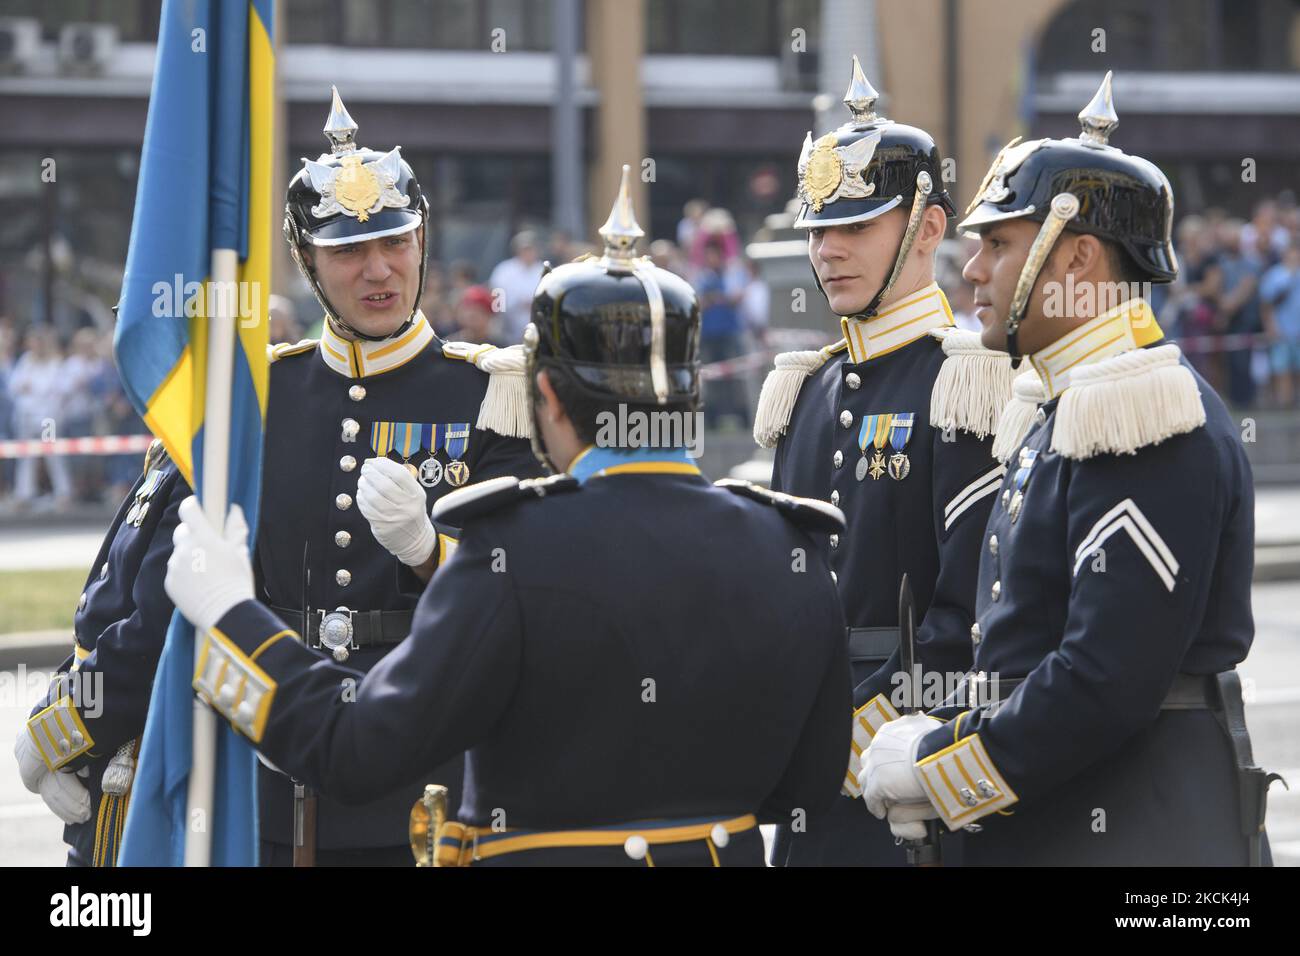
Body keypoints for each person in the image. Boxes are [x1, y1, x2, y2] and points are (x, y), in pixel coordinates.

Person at [161, 168, 851, 867]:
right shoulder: (788, 542)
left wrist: (228, 619)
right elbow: (811, 787)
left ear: (546, 395)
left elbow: (355, 751)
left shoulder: (509, 552)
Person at [860, 73, 1279, 866]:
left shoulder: (1142, 411)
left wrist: (940, 767)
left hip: (1134, 832)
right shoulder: (1070, 403)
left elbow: (1103, 678)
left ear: (1078, 255)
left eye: (998, 245)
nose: (972, 272)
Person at [257, 86, 539, 865]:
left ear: (423, 240)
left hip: (428, 750)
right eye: (349, 251)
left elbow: (526, 589)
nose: (379, 270)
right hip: (275, 755)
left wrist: (428, 552)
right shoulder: (259, 394)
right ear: (307, 261)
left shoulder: (491, 390)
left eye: (397, 243)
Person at [753, 55, 1014, 866]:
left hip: (911, 766)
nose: (827, 250)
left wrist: (862, 734)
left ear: (930, 229)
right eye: (818, 230)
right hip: (812, 765)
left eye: (854, 227)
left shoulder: (966, 377)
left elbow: (968, 609)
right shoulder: (807, 387)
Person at [15, 440, 188, 866]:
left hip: (142, 755)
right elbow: (103, 612)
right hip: (111, 751)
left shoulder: (201, 458)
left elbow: (154, 634)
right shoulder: (172, 448)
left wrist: (57, 729)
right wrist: (59, 699)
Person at [487, 230, 544, 345]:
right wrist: (516, 304)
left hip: (538, 331)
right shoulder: (503, 270)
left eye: (531, 249)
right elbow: (497, 301)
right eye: (524, 249)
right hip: (507, 331)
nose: (528, 253)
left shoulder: (544, 269)